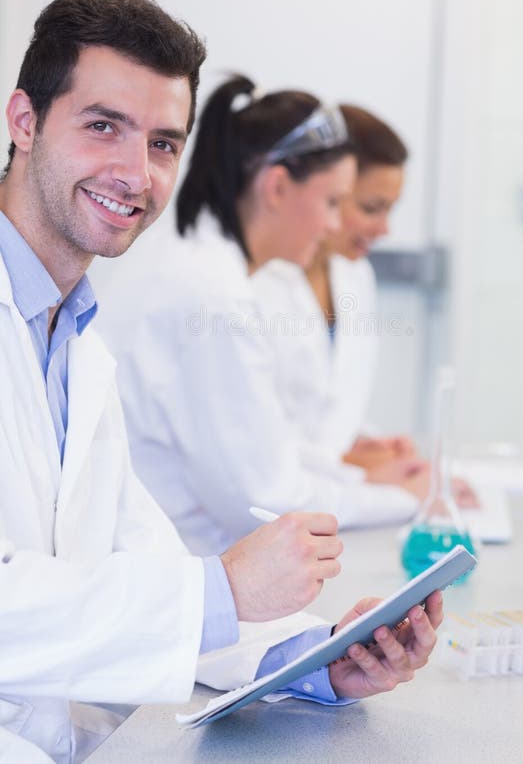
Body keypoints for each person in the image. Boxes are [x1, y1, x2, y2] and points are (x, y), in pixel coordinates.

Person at [0, 0, 443, 764]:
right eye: (103, 125)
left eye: (164, 143)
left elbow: (145, 566)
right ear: (25, 122)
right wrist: (223, 593)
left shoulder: (70, 337)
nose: (135, 172)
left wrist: (314, 659)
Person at [97, 76, 434, 561]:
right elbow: (267, 502)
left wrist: (359, 475)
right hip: (177, 574)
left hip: (184, 564)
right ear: (277, 186)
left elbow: (265, 452)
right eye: (332, 202)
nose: (334, 225)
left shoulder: (200, 267)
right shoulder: (215, 299)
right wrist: (408, 498)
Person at [252, 104, 477, 502]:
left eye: (391, 209)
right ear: (329, 192)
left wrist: (366, 446)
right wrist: (358, 471)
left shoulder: (355, 276)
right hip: (269, 511)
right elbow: (251, 444)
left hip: (327, 499)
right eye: (372, 208)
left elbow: (321, 409)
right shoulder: (255, 283)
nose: (385, 228)